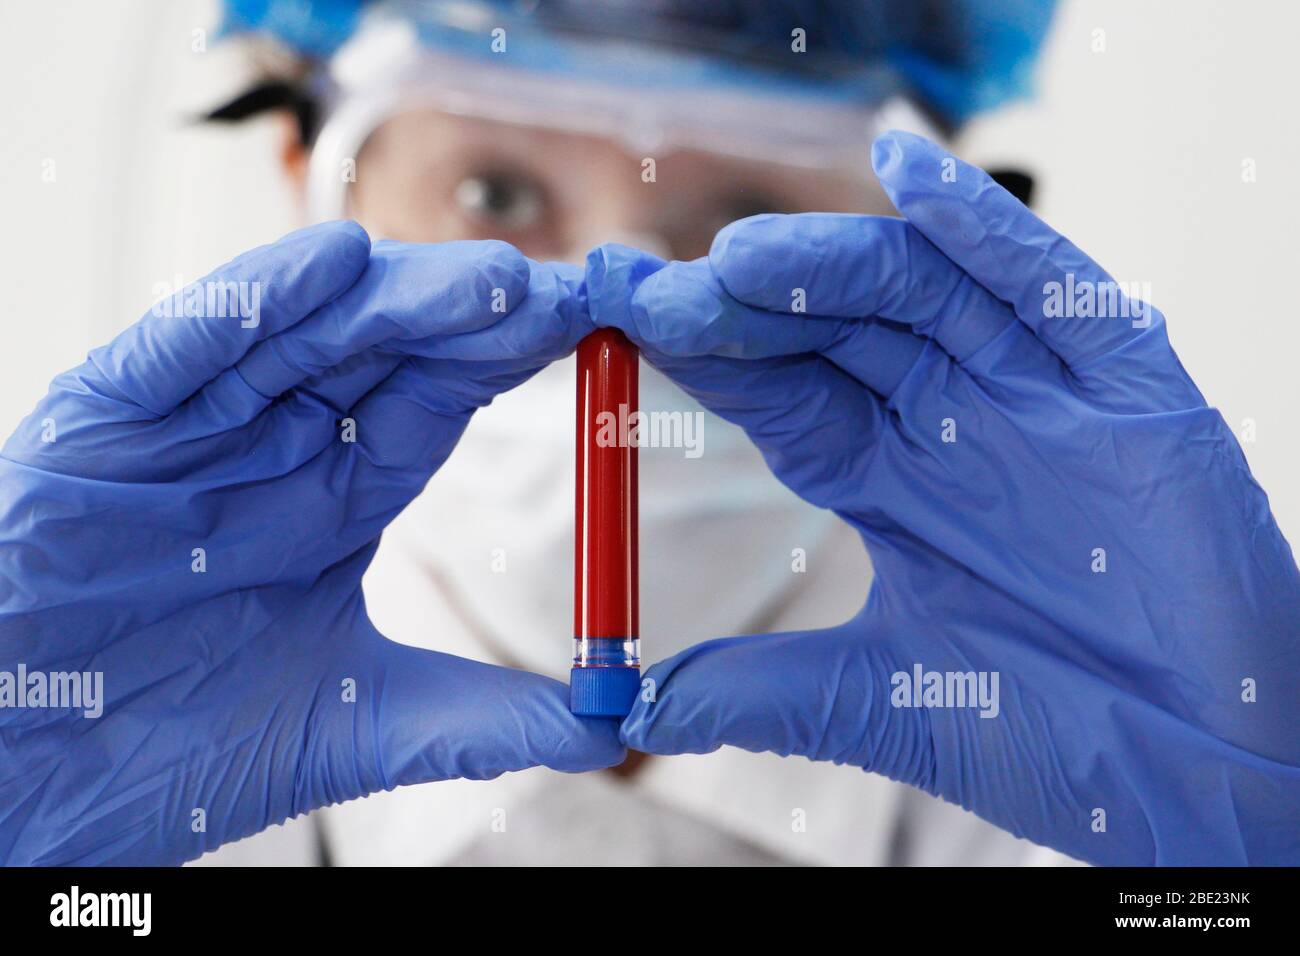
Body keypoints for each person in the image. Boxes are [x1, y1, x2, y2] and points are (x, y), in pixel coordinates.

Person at [1, 0, 1295, 867]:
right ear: (303, 176)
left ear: (929, 250)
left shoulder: (1110, 799)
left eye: (746, 215)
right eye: (492, 191)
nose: (614, 307)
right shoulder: (123, 780)